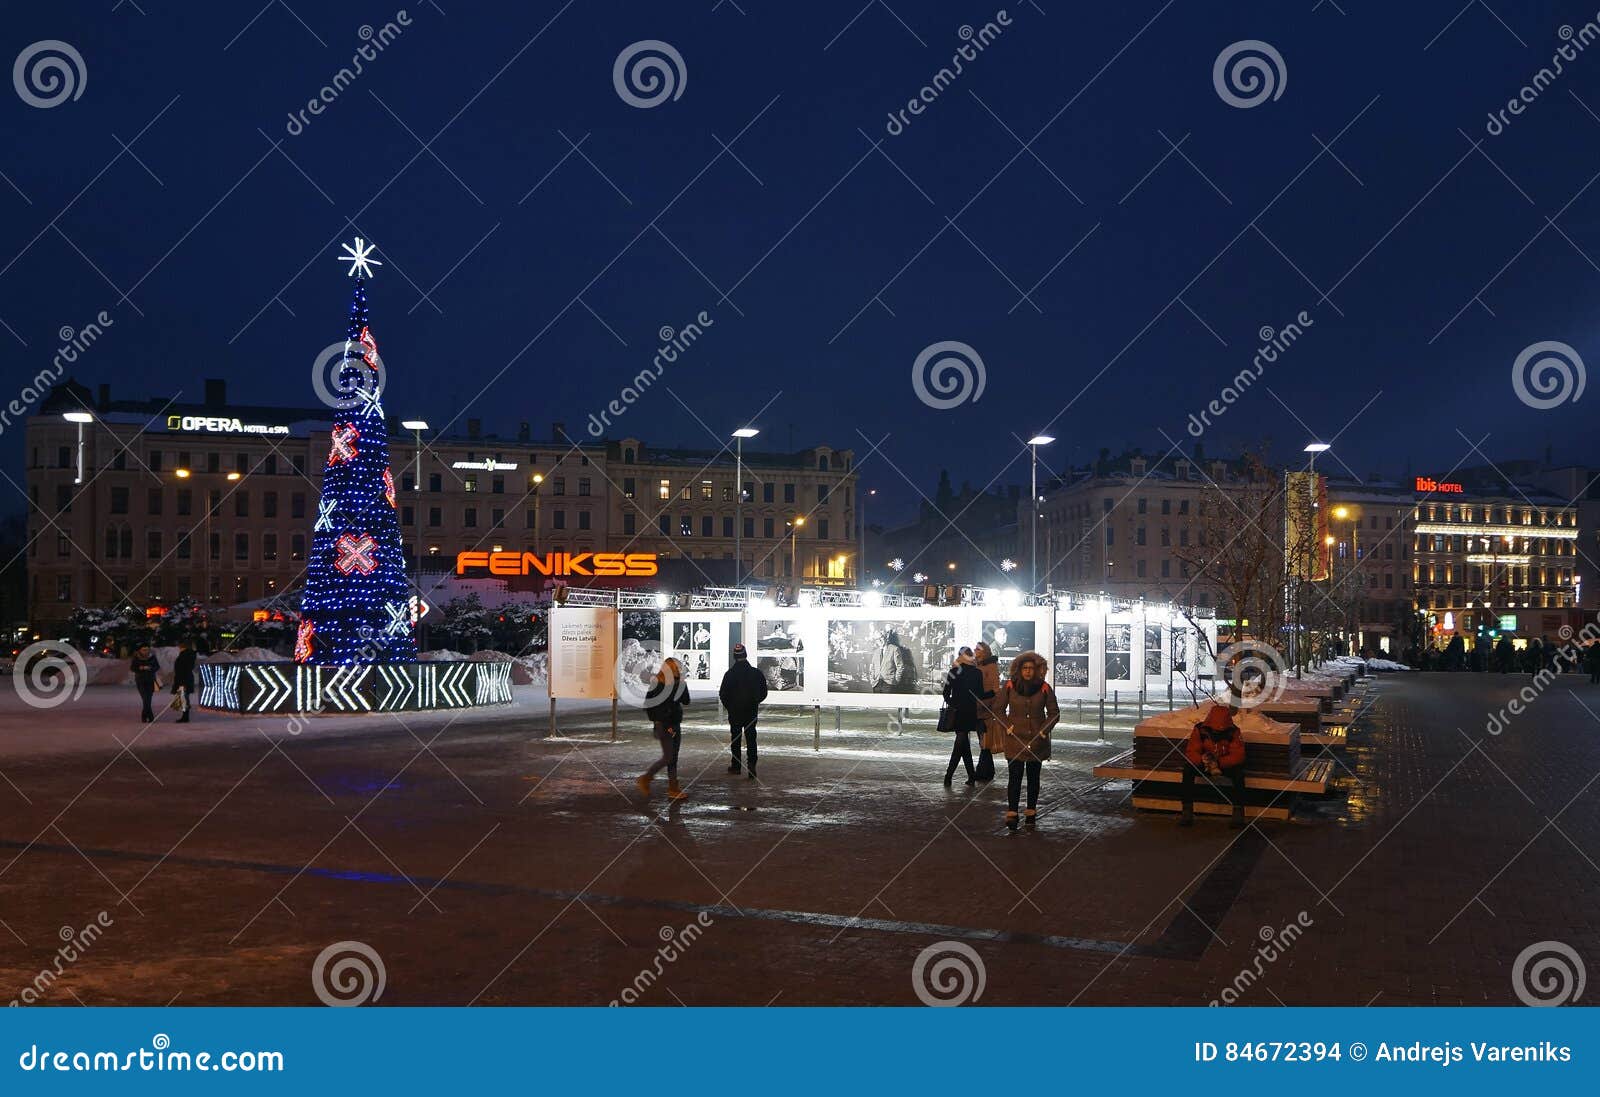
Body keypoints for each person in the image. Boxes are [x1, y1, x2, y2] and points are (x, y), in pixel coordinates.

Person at [991, 651, 1058, 830]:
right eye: (1025, 668)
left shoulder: (1044, 687)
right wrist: (1007, 726)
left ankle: (1031, 811)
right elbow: (998, 709)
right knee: (1015, 777)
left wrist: (1044, 730)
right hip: (1015, 740)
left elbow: (1054, 713)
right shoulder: (1010, 686)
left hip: (1037, 741)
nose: (1028, 671)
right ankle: (1012, 812)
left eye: (1031, 668)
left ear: (1037, 670)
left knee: (1033, 778)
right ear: (1019, 669)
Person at [1181, 703, 1248, 828]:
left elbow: (1238, 755)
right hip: (1204, 763)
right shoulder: (1200, 730)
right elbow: (1191, 751)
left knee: (1239, 775)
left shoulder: (1234, 732)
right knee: (1188, 771)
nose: (1218, 731)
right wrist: (1202, 760)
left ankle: (1238, 813)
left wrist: (1219, 763)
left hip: (1224, 764)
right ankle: (1187, 811)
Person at [636, 658, 691, 801]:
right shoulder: (678, 685)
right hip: (671, 725)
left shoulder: (656, 683)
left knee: (671, 757)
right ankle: (646, 778)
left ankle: (673, 788)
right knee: (670, 757)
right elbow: (686, 701)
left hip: (660, 724)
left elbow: (647, 704)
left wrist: (656, 721)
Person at [718, 643, 768, 779]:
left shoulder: (729, 674)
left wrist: (730, 706)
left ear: (734, 656)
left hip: (735, 712)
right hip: (751, 711)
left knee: (735, 739)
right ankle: (752, 766)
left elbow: (723, 694)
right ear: (745, 655)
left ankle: (736, 766)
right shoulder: (756, 673)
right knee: (751, 738)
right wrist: (755, 702)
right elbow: (764, 692)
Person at [941, 647, 984, 786]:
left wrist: (953, 703)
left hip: (958, 712)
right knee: (963, 744)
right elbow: (980, 694)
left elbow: (946, 693)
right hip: (970, 712)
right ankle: (971, 776)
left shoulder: (953, 672)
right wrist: (993, 694)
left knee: (960, 743)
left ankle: (949, 776)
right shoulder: (977, 673)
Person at [972, 640, 1001, 782]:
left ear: (984, 651)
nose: (974, 651)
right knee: (983, 740)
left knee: (985, 740)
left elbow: (995, 688)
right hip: (978, 706)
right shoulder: (977, 664)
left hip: (987, 706)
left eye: (977, 649)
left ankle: (984, 771)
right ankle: (986, 771)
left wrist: (990, 702)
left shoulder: (991, 666)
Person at [130, 643, 161, 723]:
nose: (145, 651)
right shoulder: (136, 657)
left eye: (147, 649)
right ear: (140, 650)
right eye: (144, 650)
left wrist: (150, 668)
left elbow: (157, 667)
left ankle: (145, 716)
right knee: (145, 698)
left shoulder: (152, 657)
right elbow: (132, 668)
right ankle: (150, 716)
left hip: (151, 680)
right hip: (140, 680)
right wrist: (141, 668)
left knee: (148, 698)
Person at [171, 639, 197, 723]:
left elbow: (184, 669)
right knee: (183, 698)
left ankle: (185, 717)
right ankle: (185, 716)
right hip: (184, 679)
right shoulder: (188, 654)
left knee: (184, 698)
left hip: (183, 680)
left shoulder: (185, 655)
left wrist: (183, 683)